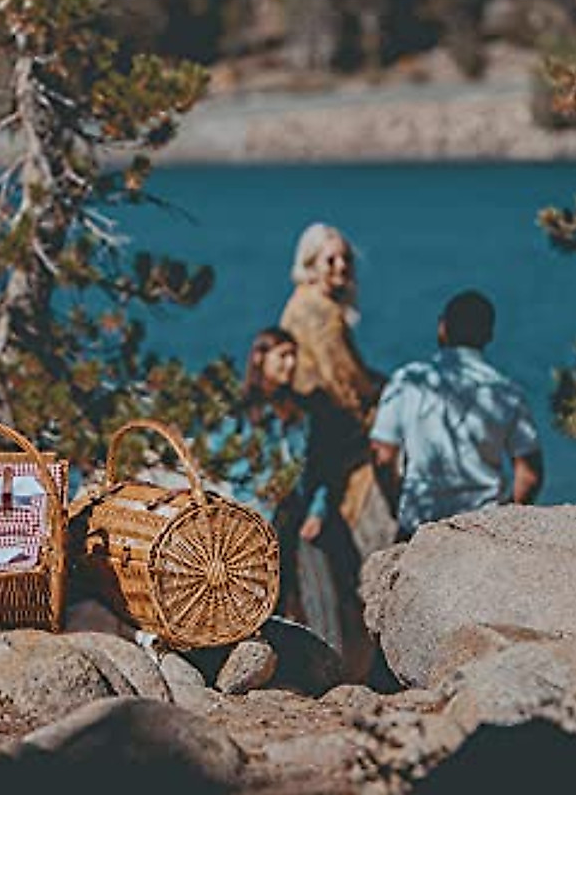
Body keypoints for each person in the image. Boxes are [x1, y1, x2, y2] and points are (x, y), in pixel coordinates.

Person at [205, 327, 372, 680]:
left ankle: (329, 669)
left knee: (317, 587)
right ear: (259, 358)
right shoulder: (239, 414)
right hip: (253, 518)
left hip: (296, 516)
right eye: (282, 355)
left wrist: (317, 512)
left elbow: (320, 472)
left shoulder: (302, 413)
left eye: (293, 355)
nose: (290, 364)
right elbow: (216, 465)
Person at [370, 290, 544, 540]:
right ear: (488, 335)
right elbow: (529, 473)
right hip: (483, 527)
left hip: (419, 524)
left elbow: (383, 456)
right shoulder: (506, 392)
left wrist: (395, 504)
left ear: (442, 328)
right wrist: (511, 516)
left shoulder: (407, 381)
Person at [279, 223, 395, 558]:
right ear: (310, 265)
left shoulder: (306, 305)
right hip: (328, 432)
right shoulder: (318, 312)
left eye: (346, 259)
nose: (341, 267)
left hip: (314, 425)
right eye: (331, 260)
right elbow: (343, 383)